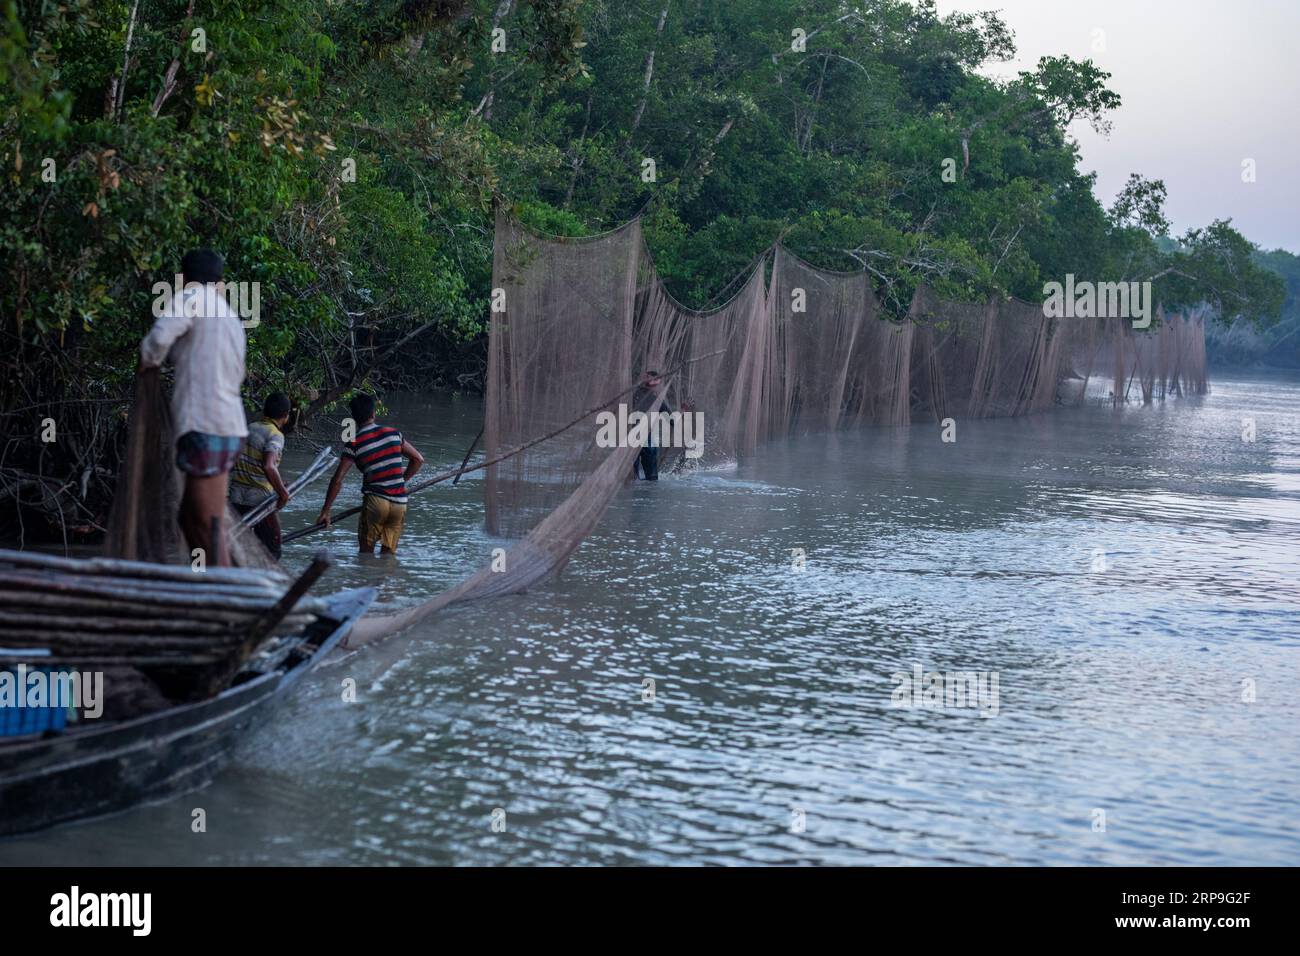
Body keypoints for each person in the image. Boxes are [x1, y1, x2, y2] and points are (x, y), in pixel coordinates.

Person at [139, 249, 246, 566]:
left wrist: (147, 363)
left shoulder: (191, 298)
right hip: (228, 427)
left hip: (206, 426)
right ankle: (220, 588)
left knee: (209, 523)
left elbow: (157, 340)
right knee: (190, 517)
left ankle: (231, 598)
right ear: (220, 281)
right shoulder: (229, 315)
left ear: (183, 278)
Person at [316, 394, 424, 555]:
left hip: (376, 501)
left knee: (366, 555)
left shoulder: (353, 443)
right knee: (388, 557)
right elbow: (418, 460)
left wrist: (326, 510)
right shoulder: (394, 434)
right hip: (400, 503)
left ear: (354, 418)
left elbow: (337, 480)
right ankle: (383, 580)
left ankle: (366, 580)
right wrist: (401, 481)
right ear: (373, 414)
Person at [228, 393, 292, 560]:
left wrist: (278, 483)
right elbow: (268, 466)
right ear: (285, 415)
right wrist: (283, 494)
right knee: (273, 551)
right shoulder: (275, 434)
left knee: (240, 548)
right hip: (259, 501)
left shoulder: (248, 428)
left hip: (235, 498)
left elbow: (235, 461)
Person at [632, 369, 674, 481]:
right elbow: (670, 418)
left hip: (639, 437)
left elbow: (669, 417)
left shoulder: (653, 397)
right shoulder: (638, 394)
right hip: (636, 436)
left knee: (643, 475)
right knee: (648, 476)